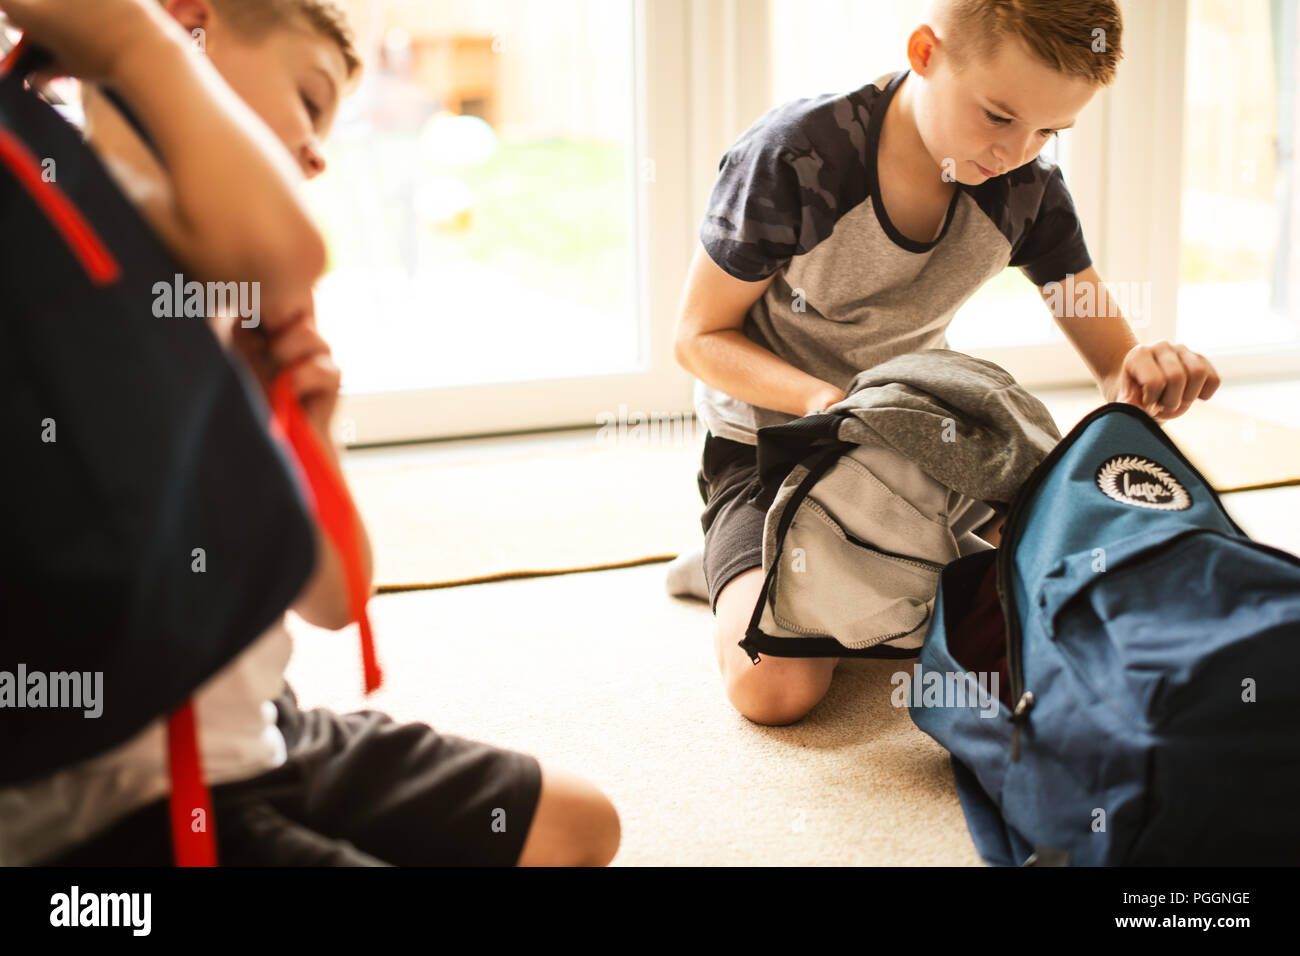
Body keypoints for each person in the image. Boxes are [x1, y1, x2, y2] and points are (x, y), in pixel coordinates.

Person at [0, 0, 619, 867]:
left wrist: (307, 437)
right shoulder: (72, 227)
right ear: (188, 28)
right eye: (309, 97)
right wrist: (130, 32)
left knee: (584, 822)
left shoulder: (228, 287)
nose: (322, 152)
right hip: (139, 788)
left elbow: (335, 601)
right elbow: (287, 248)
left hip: (261, 724)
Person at [673, 0, 1221, 727]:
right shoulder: (795, 158)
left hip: (928, 438)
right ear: (925, 51)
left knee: (1105, 576)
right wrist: (822, 403)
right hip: (775, 446)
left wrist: (1149, 369)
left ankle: (883, 560)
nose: (1016, 152)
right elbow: (698, 337)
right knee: (775, 692)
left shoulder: (1028, 189)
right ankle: (743, 556)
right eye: (998, 116)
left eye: (1050, 130)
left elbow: (1117, 370)